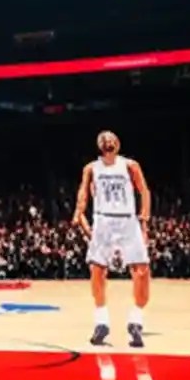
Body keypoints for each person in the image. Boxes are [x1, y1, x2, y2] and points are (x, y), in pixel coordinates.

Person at [72, 131, 151, 348]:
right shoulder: (91, 168)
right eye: (104, 140)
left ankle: (136, 321)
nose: (108, 141)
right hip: (103, 220)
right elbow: (83, 192)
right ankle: (101, 322)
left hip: (127, 220)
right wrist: (79, 212)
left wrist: (144, 219)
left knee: (142, 271)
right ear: (99, 145)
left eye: (112, 139)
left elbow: (144, 191)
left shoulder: (130, 165)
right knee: (97, 270)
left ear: (118, 143)